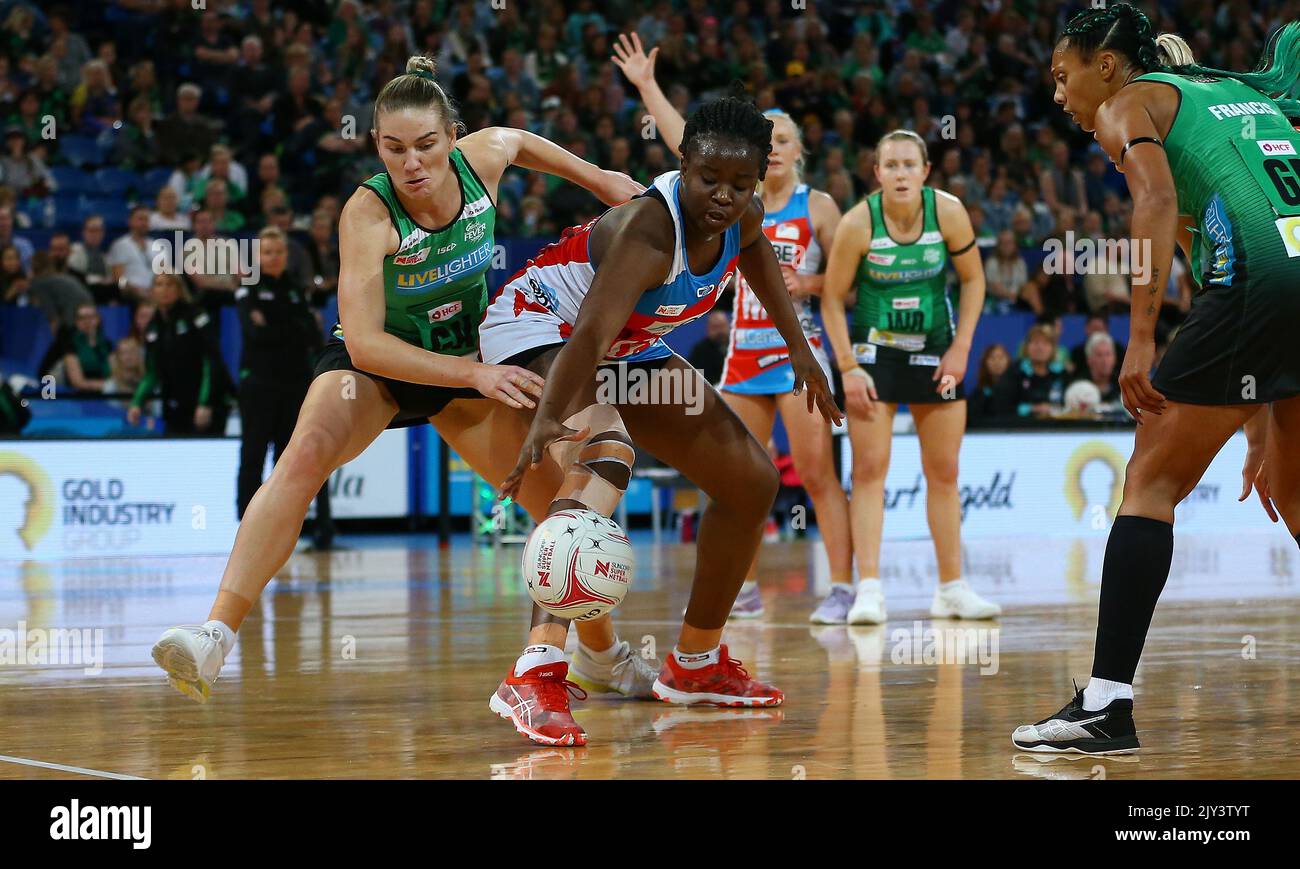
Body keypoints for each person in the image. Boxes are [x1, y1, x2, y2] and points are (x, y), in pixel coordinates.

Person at [149, 56, 643, 705]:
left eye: (427, 145)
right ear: (376, 145)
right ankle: (215, 633)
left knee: (555, 510)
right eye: (394, 148)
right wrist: (474, 372)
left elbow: (520, 140)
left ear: (452, 136)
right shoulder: (367, 212)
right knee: (303, 455)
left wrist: (599, 177)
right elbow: (365, 341)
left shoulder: (485, 159)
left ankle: (601, 657)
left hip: (467, 364)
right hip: (379, 367)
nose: (411, 163)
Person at [485, 92, 839, 746]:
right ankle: (535, 671)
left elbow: (757, 254)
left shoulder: (745, 214)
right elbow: (588, 334)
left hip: (626, 340)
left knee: (751, 480)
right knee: (604, 450)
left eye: (740, 184)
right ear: (684, 161)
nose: (723, 197)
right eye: (708, 179)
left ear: (758, 179)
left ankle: (697, 664)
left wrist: (800, 347)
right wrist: (549, 420)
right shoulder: (649, 229)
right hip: (541, 326)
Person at [1014, 5, 1300, 755]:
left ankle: (1106, 705)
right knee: (1297, 495)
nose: (1059, 94)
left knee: (1148, 482)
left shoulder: (1126, 103)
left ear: (1104, 64)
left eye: (1061, 74)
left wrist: (1140, 336)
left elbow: (1156, 202)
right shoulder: (1229, 97)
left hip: (1259, 283)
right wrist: (1263, 411)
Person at [613, 32, 854, 623]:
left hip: (798, 350)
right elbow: (686, 144)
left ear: (798, 152)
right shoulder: (730, 193)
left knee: (818, 476)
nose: (772, 150)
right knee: (735, 475)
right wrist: (647, 86)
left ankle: (845, 587)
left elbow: (853, 275)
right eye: (765, 141)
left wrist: (816, 287)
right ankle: (739, 589)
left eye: (784, 140)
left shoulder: (818, 206)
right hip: (745, 353)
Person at [821, 128, 1001, 624]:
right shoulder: (858, 223)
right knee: (869, 471)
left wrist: (963, 348)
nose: (900, 173)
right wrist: (848, 367)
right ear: (876, 173)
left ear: (925, 171)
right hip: (874, 356)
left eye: (909, 165)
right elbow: (832, 300)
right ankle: (871, 590)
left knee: (944, 472)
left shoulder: (948, 212)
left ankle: (951, 588)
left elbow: (974, 280)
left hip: (938, 353)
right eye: (890, 165)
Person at [235, 226, 334, 547]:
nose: (274, 257)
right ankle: (246, 527)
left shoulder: (295, 289)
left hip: (294, 384)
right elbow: (256, 335)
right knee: (253, 455)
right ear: (257, 257)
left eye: (278, 252)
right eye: (267, 252)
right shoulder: (247, 289)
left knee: (291, 458)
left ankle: (293, 526)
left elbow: (312, 337)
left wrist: (281, 325)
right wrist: (293, 326)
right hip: (259, 385)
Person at [127, 272, 234, 436]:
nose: (164, 290)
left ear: (180, 289)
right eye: (159, 285)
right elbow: (152, 371)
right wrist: (137, 402)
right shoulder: (153, 326)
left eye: (170, 285)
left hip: (206, 403)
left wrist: (205, 403)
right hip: (174, 405)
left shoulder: (195, 316)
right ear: (152, 291)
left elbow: (211, 361)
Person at [998, 323, 1070, 418]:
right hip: (1021, 428)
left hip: (1057, 428)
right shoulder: (1015, 371)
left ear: (1053, 349)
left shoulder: (1061, 373)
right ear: (1026, 347)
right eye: (1035, 342)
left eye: (1045, 343)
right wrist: (1033, 409)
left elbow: (1070, 405)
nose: (1040, 348)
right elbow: (1002, 406)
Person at [61, 303, 112, 393]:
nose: (87, 321)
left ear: (98, 319)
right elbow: (78, 382)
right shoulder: (70, 345)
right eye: (82, 318)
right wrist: (108, 385)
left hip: (108, 395)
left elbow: (115, 372)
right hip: (81, 397)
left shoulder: (107, 344)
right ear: (76, 322)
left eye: (91, 317)